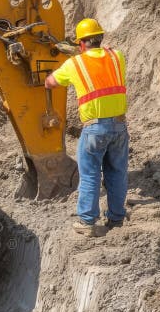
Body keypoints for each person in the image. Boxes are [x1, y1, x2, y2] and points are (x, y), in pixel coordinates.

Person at [45, 18, 129, 237]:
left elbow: (50, 82)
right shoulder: (116, 56)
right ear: (100, 38)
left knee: (90, 173)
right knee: (117, 172)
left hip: (95, 128)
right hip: (120, 126)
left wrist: (70, 59)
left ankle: (87, 221)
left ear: (81, 43)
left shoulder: (75, 64)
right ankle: (116, 218)